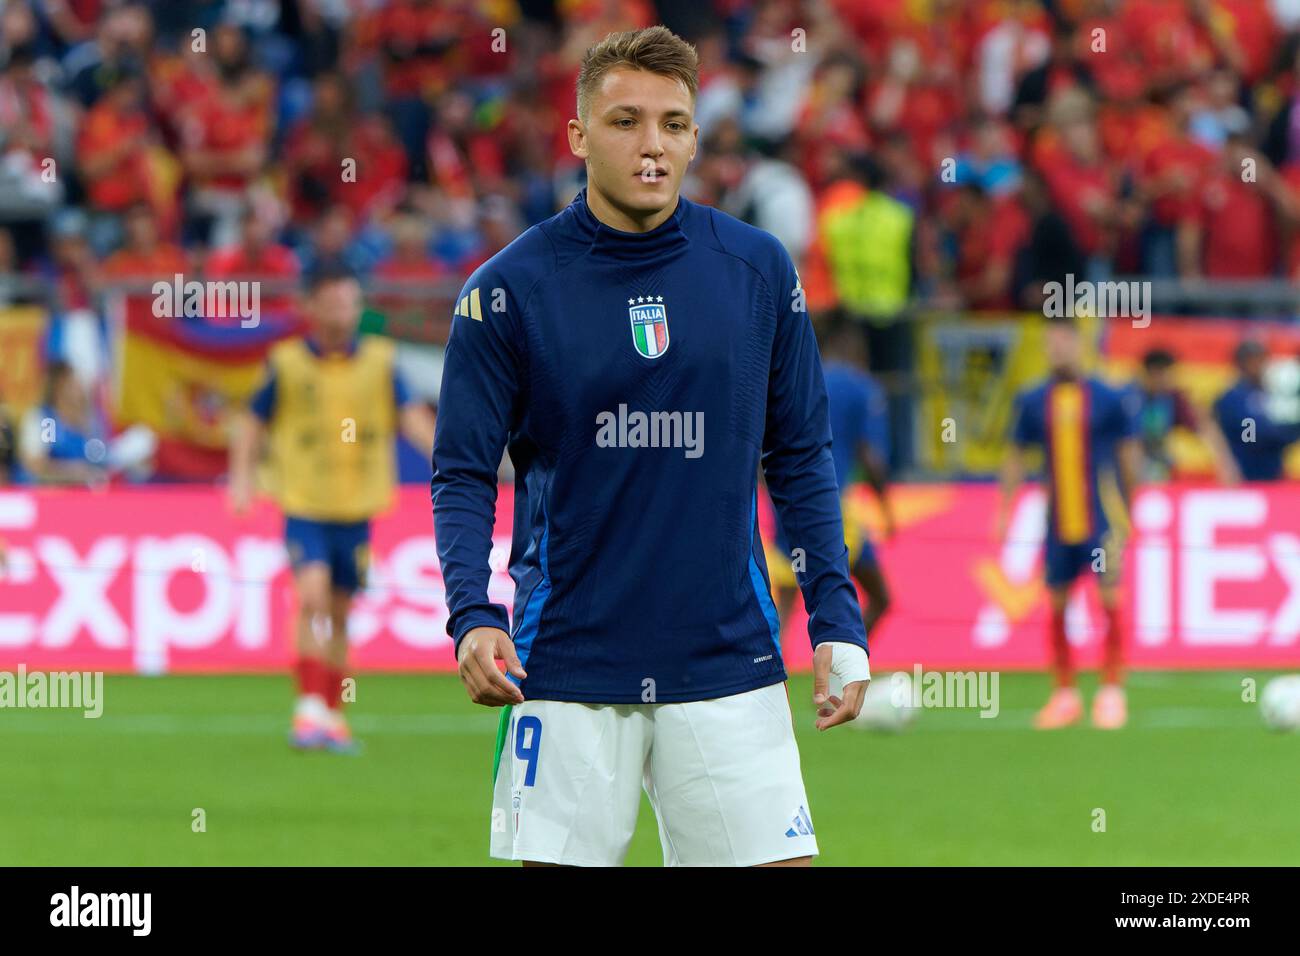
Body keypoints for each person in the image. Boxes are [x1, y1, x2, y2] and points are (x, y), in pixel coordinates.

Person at [431, 26, 870, 868]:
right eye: (627, 121)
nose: (653, 146)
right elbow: (461, 472)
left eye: (674, 124)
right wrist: (472, 615)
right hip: (565, 663)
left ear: (696, 137)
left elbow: (802, 454)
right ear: (578, 136)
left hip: (729, 654)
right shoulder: (506, 293)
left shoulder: (758, 272)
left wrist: (835, 618)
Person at [228, 263, 436, 753]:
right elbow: (251, 423)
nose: (344, 311)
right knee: (312, 597)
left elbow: (413, 420)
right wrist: (241, 479)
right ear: (311, 307)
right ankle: (306, 710)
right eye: (335, 301)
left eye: (350, 301)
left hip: (358, 505)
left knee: (342, 613)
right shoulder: (286, 363)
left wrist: (457, 463)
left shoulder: (380, 361)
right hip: (304, 501)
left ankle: (333, 714)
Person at [996, 317, 1141, 730]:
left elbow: (1129, 455)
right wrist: (1005, 510)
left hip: (1101, 518)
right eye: (1050, 344)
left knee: (1109, 598)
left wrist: (1131, 508)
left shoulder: (1109, 398)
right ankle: (1065, 693)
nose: (1057, 350)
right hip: (1056, 521)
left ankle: (1112, 691)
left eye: (1063, 342)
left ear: (1080, 345)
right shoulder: (1031, 400)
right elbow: (1015, 454)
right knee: (1057, 603)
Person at [766, 313, 895, 641]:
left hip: (786, 503)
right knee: (876, 596)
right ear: (855, 348)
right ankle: (843, 676)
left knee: (785, 601)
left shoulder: (795, 379)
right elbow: (872, 459)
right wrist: (886, 511)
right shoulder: (861, 386)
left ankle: (766, 675)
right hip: (831, 506)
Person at [1130, 347, 1239, 484]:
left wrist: (1226, 465)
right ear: (1152, 373)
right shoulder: (1131, 398)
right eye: (1165, 374)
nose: (1169, 380)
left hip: (1157, 468)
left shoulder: (1172, 398)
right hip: (1131, 465)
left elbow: (1204, 428)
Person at [1213, 339, 1300, 482]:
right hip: (1245, 475)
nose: (1260, 366)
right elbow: (1250, 438)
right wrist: (1287, 432)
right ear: (1241, 363)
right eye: (1254, 360)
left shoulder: (1269, 393)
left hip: (1272, 473)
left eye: (1263, 360)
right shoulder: (1234, 397)